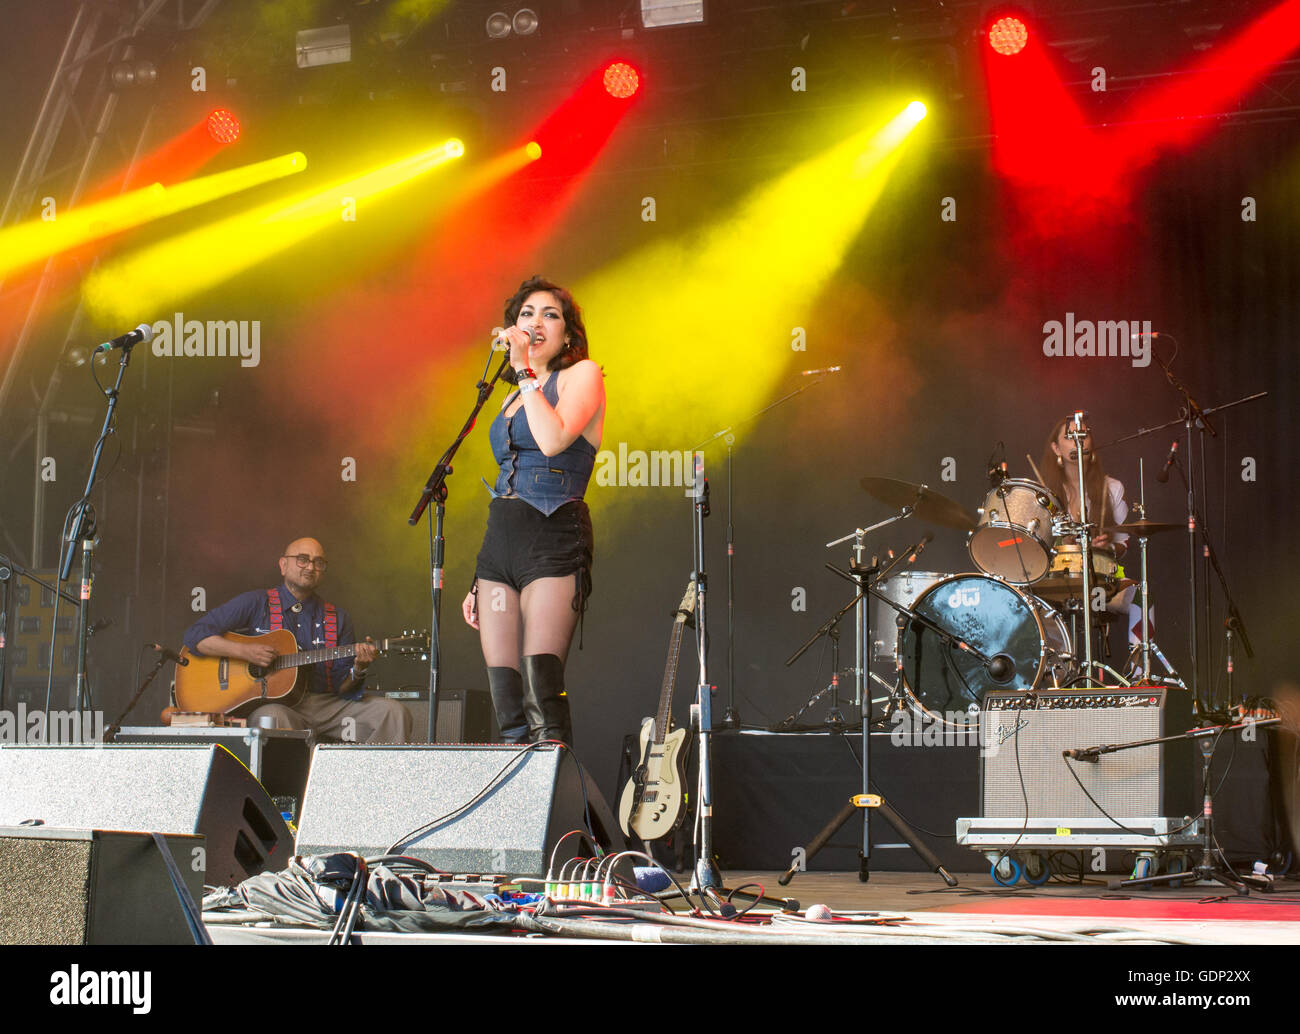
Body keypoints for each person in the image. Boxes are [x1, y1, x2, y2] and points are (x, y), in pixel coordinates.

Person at [461, 276, 605, 746]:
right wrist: (475, 580)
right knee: (506, 702)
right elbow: (510, 471)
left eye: (550, 314)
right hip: (500, 544)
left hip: (552, 535)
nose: (536, 322)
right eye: (526, 314)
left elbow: (552, 440)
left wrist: (525, 371)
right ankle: (519, 814)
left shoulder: (582, 374)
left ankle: (559, 809)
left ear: (567, 334)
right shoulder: (506, 397)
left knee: (541, 690)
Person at [183, 537, 411, 742]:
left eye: (318, 562)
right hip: (277, 706)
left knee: (394, 713)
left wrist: (359, 669)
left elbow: (343, 687)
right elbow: (196, 635)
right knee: (272, 717)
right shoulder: (255, 602)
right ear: (283, 565)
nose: (311, 567)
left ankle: (368, 787)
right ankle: (289, 788)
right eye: (303, 559)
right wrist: (245, 653)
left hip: (326, 705)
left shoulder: (338, 618)